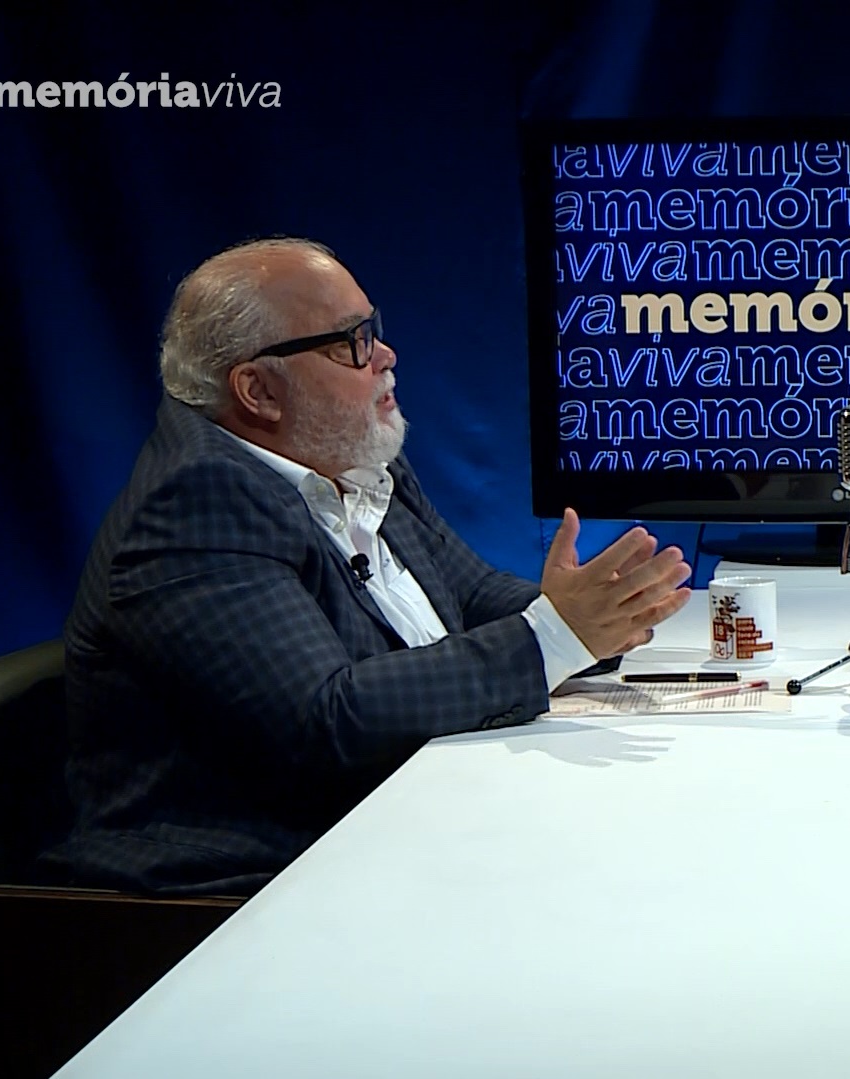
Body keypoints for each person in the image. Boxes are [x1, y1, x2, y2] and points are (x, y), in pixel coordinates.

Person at [42, 238, 692, 896]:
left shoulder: (353, 460)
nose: (385, 355)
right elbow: (324, 724)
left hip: (399, 826)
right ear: (259, 390)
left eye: (373, 329)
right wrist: (552, 636)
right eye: (350, 342)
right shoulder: (197, 504)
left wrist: (595, 618)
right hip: (247, 890)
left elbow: (470, 596)